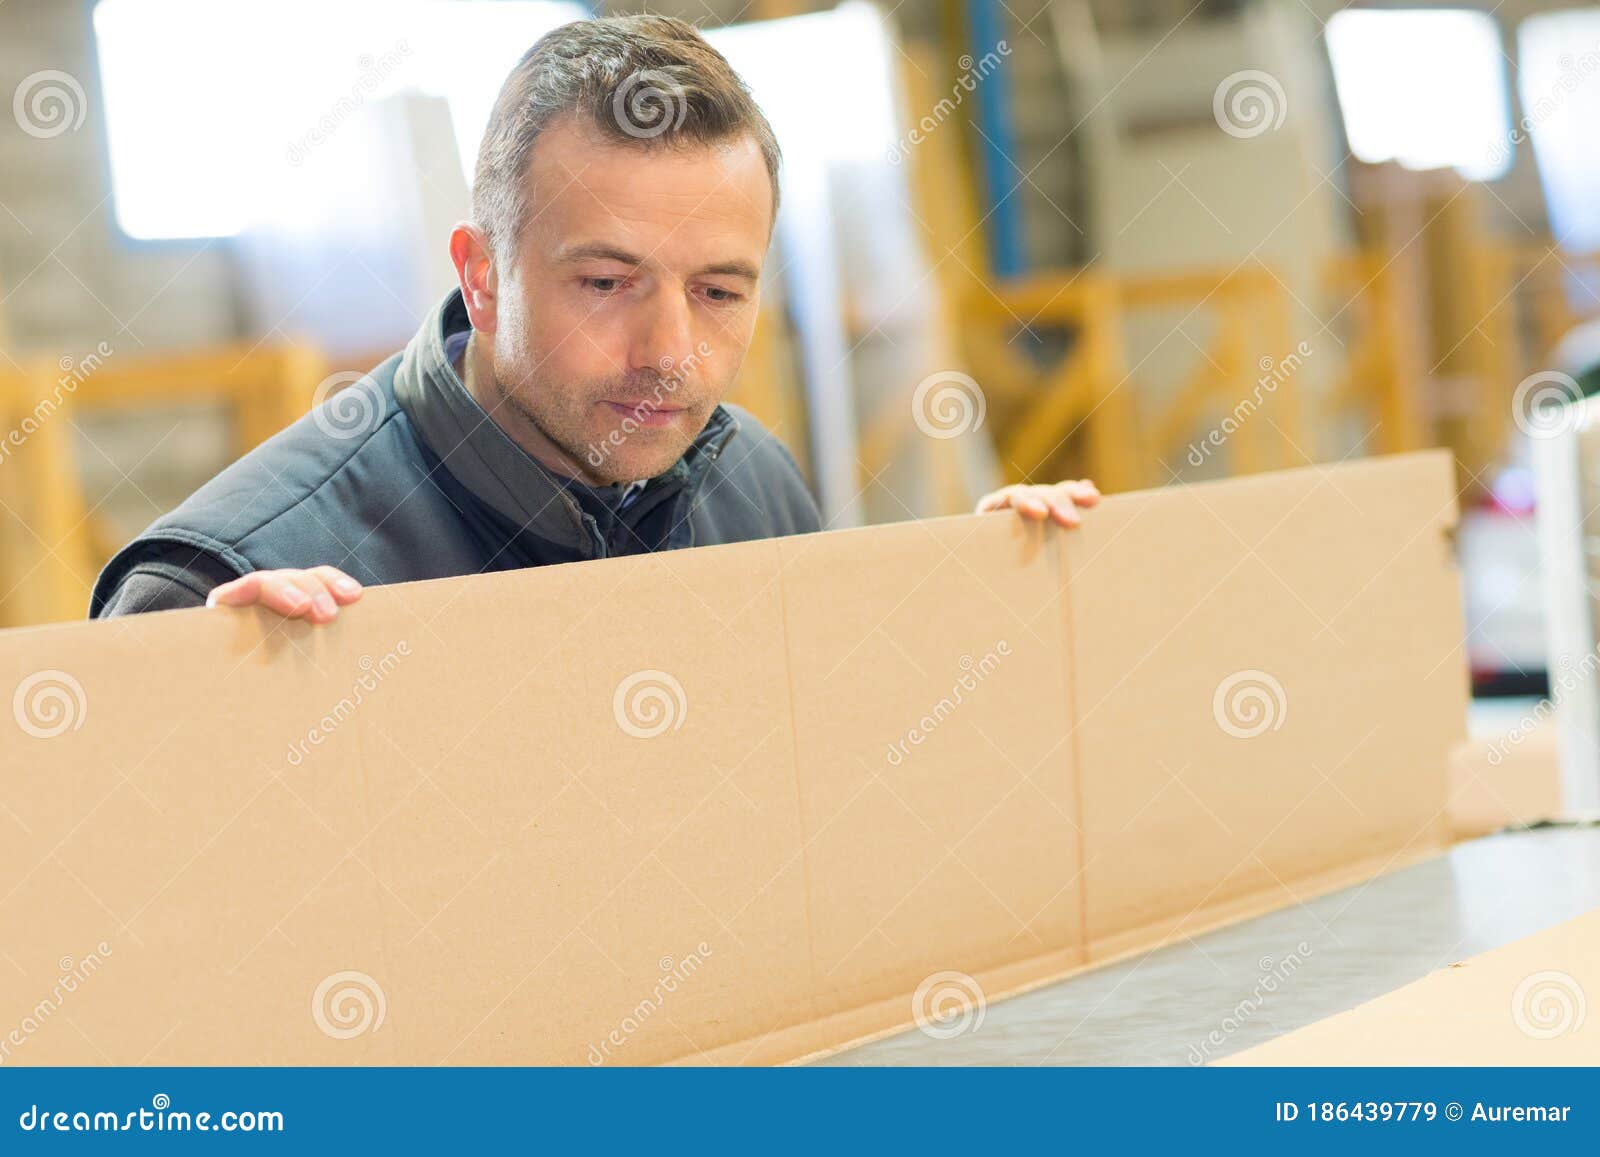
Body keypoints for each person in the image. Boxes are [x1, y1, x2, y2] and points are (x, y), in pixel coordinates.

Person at [91, 15, 1099, 625]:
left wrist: (974, 622)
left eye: (718, 291)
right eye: (607, 283)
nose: (668, 355)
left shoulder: (748, 486)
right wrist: (212, 724)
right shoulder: (228, 584)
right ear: (481, 278)